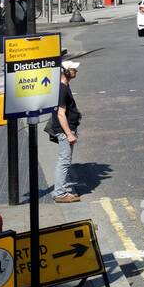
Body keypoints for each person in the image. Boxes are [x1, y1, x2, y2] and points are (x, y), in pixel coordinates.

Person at [49, 59, 83, 202]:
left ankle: (61, 189)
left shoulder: (64, 86)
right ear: (65, 71)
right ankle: (59, 193)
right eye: (73, 69)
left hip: (67, 129)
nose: (76, 71)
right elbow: (60, 113)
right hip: (64, 131)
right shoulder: (62, 89)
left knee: (66, 160)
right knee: (64, 160)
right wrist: (69, 134)